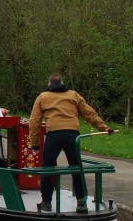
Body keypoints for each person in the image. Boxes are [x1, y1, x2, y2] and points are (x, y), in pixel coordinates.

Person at [28, 73, 113, 213]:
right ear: (62, 83)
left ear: (49, 85)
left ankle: (46, 202)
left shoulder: (43, 97)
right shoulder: (74, 95)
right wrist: (104, 128)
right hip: (72, 135)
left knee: (47, 168)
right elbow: (89, 113)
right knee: (76, 167)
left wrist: (35, 143)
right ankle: (81, 203)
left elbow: (34, 121)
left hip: (54, 134)